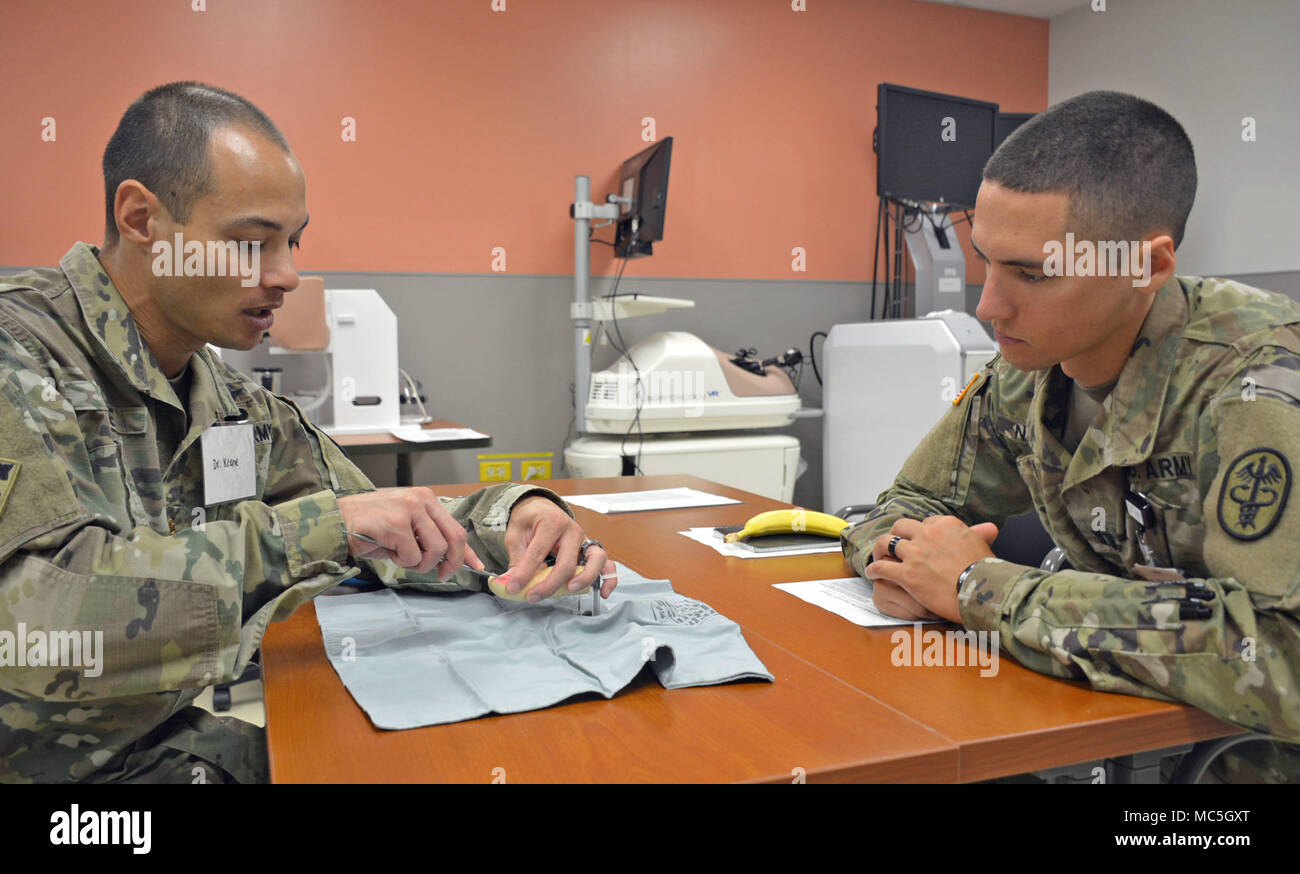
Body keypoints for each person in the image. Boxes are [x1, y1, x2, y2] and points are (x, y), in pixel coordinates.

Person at [0, 81, 617, 783]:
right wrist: (312, 532)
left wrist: (520, 521)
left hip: (158, 746)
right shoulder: (18, 359)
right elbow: (33, 629)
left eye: (292, 242)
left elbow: (378, 519)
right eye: (253, 243)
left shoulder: (226, 401)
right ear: (142, 218)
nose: (288, 275)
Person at [842, 91, 1300, 781]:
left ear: (1145, 267)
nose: (988, 305)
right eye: (985, 260)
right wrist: (903, 562)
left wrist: (975, 586)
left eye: (1032, 274)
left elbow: (1278, 653)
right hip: (1121, 740)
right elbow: (906, 500)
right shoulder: (1027, 372)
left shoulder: (1260, 383)